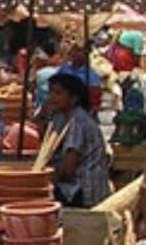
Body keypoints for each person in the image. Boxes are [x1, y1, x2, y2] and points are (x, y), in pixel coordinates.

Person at [44, 72, 111, 207]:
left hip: (85, 190)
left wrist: (42, 179)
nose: (51, 97)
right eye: (50, 92)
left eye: (58, 93)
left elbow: (68, 169)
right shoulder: (62, 117)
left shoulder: (78, 122)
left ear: (74, 98)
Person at [59, 43, 103, 109]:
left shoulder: (92, 76)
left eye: (79, 50)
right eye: (73, 50)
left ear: (86, 54)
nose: (74, 53)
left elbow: (93, 101)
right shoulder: (64, 69)